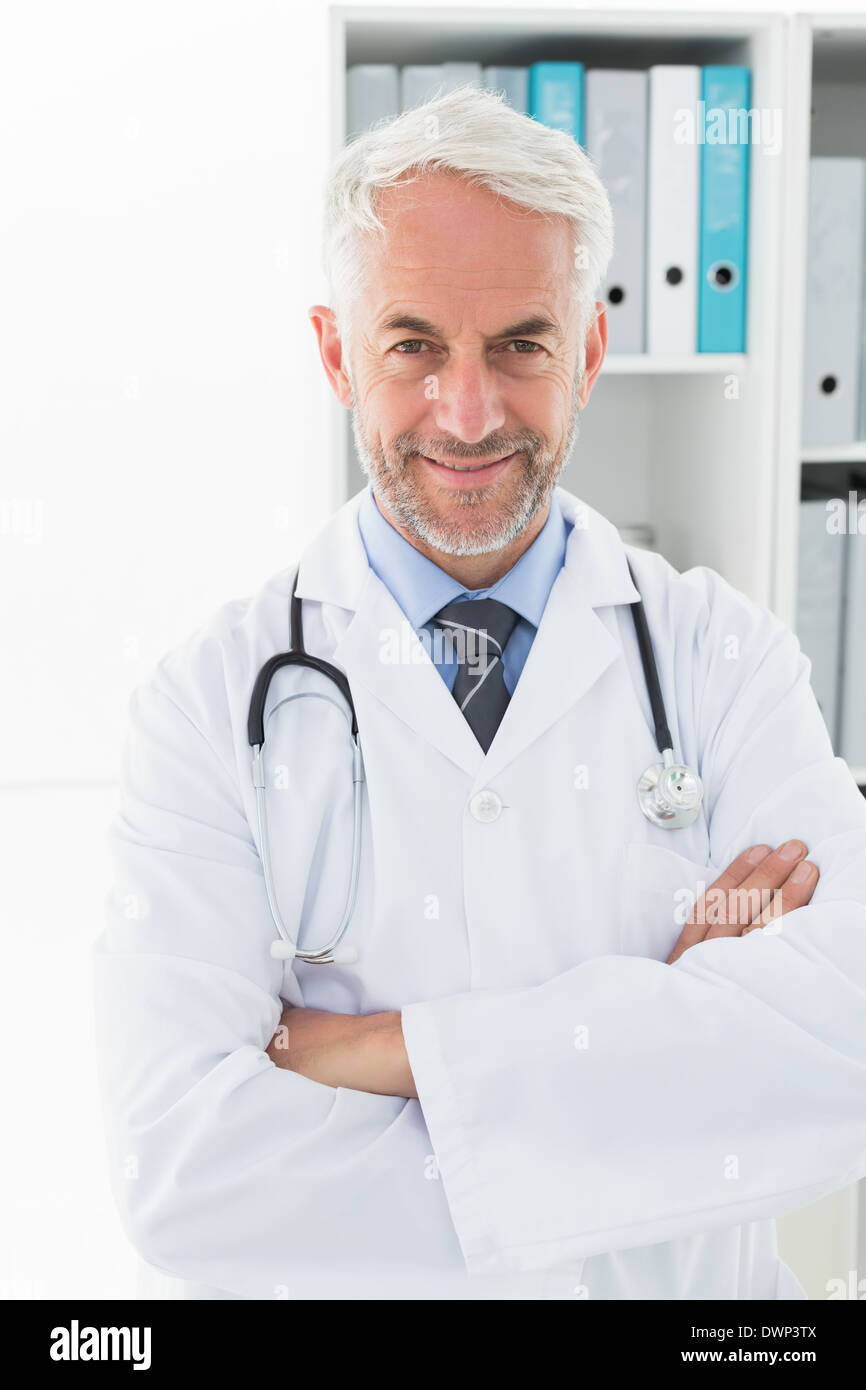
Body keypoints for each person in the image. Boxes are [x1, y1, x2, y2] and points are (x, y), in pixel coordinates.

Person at [93, 85, 866, 1301]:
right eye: (411, 344)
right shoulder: (203, 707)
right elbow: (185, 1171)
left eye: (519, 343)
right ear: (338, 353)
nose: (467, 410)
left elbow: (844, 1053)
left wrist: (369, 1051)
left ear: (589, 352)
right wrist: (666, 1023)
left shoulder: (726, 659)